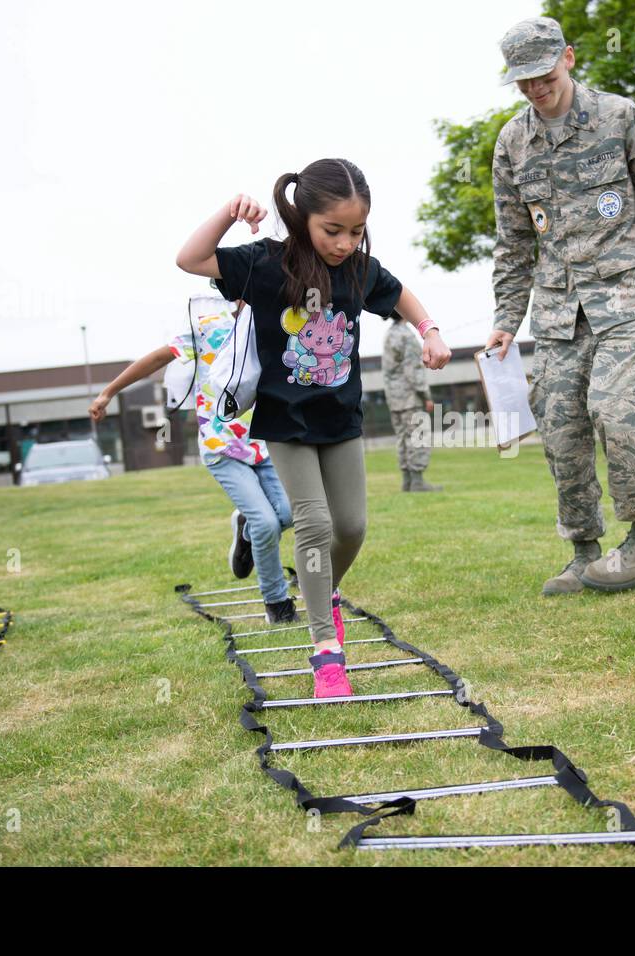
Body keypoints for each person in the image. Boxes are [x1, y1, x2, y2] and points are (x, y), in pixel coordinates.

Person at [176, 158, 451, 697]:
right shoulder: (265, 264)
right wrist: (231, 213)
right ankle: (327, 651)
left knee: (351, 527)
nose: (346, 242)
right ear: (303, 218)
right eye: (333, 230)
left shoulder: (357, 270)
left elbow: (399, 295)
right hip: (285, 420)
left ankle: (320, 591)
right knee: (314, 524)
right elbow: (190, 259)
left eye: (356, 231)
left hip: (342, 419)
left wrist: (430, 332)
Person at [483, 16, 635, 596]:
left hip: (630, 299)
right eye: (523, 80)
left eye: (544, 73)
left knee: (618, 407)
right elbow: (513, 244)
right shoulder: (512, 143)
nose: (535, 88)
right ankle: (584, 552)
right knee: (560, 427)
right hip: (558, 314)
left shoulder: (619, 117)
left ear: (570, 59)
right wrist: (506, 321)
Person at [88, 311, 298, 624]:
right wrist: (109, 392)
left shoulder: (266, 314)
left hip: (264, 441)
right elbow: (157, 359)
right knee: (266, 523)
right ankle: (277, 604)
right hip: (221, 445)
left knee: (290, 513)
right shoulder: (206, 323)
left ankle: (246, 529)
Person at [381, 310, 441, 491]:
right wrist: (426, 396)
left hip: (394, 398)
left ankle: (407, 481)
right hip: (410, 397)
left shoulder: (389, 335)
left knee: (403, 438)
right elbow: (413, 370)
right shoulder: (406, 336)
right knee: (417, 437)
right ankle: (417, 482)